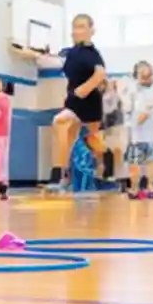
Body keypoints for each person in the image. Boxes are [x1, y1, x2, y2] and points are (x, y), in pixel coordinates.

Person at [48, 14, 106, 192]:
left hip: (90, 103)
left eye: (82, 26)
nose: (77, 30)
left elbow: (100, 73)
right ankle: (64, 174)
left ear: (91, 30)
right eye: (75, 27)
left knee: (94, 141)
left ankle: (101, 172)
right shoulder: (71, 53)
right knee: (62, 126)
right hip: (73, 103)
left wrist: (85, 89)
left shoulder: (93, 54)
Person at [125, 61, 153, 200]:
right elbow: (128, 110)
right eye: (143, 74)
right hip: (137, 135)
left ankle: (151, 187)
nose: (147, 77)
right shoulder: (132, 90)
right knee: (135, 162)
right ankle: (134, 188)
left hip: (152, 133)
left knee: (152, 161)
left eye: (149, 74)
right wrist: (137, 119)